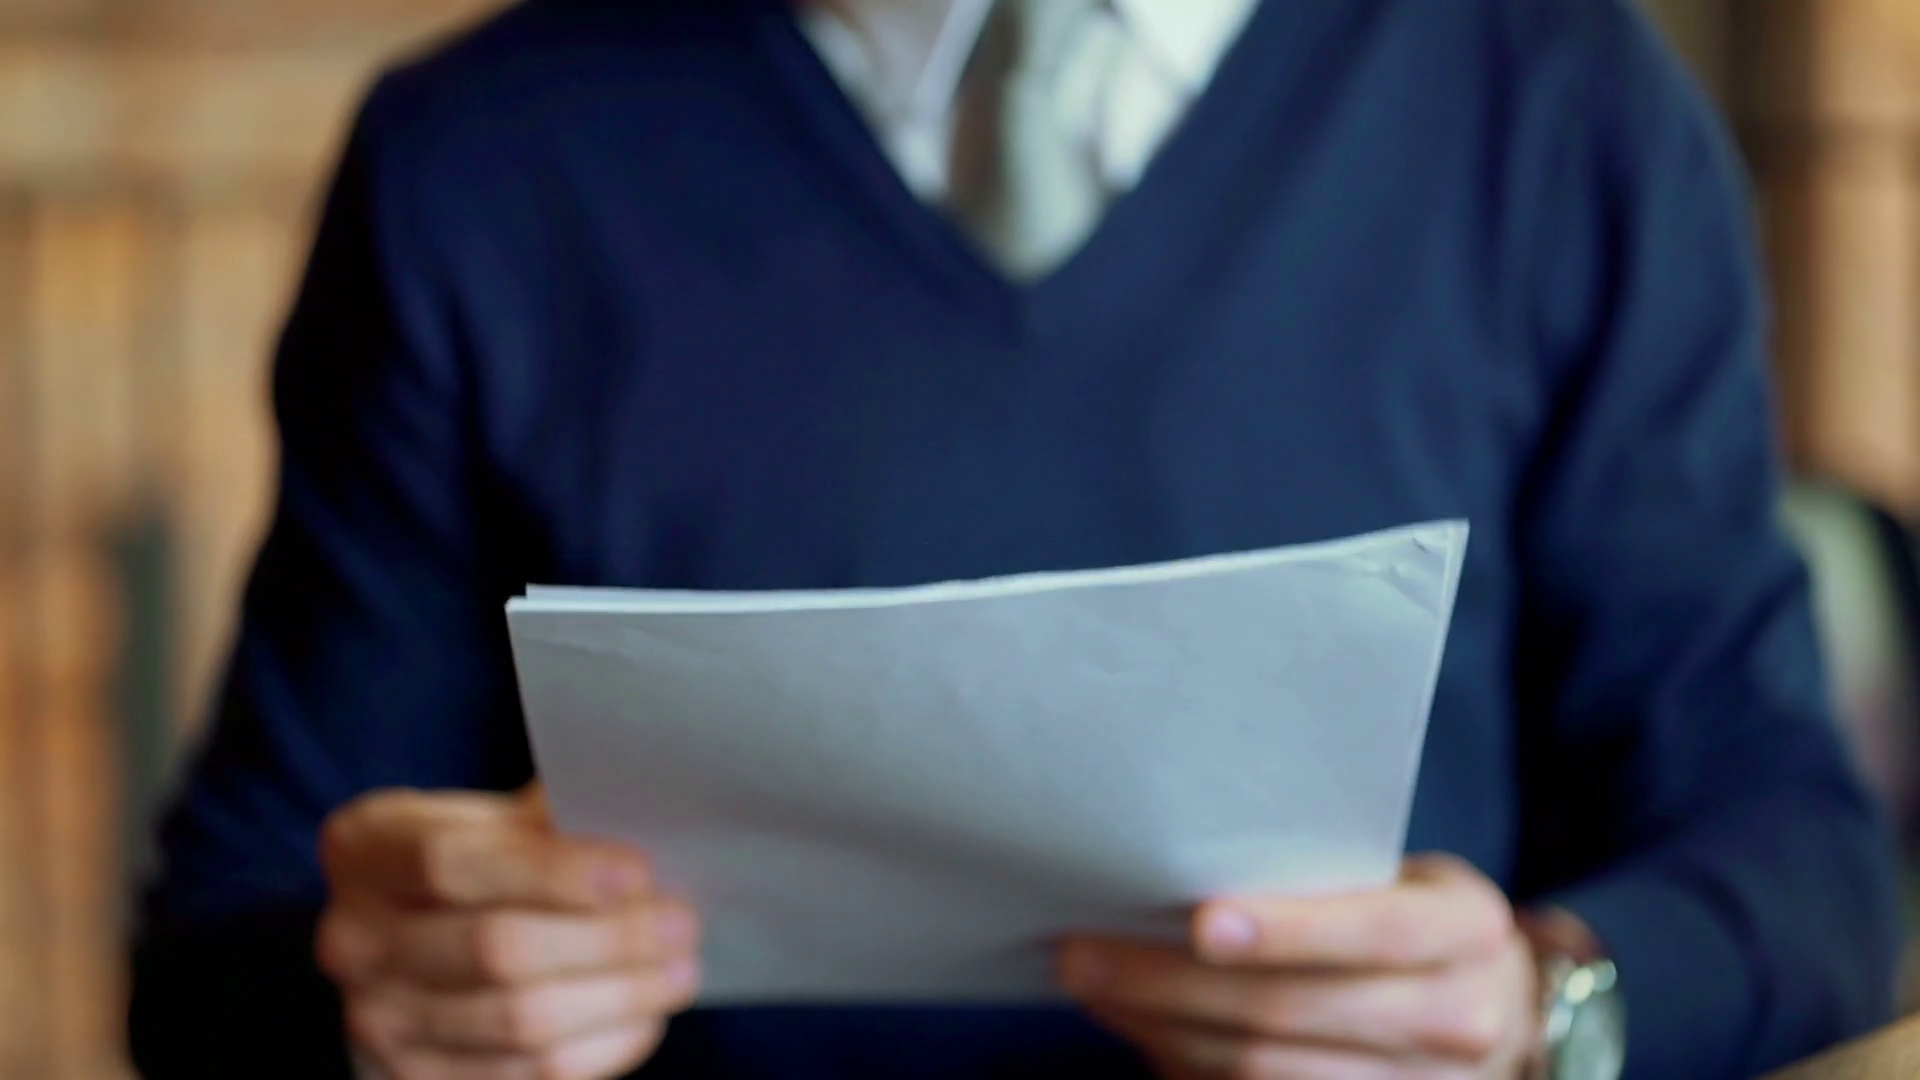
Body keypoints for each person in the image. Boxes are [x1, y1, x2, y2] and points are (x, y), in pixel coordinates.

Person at [128, 0, 1905, 1078]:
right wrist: (393, 999)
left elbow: (1801, 863)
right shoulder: (480, 160)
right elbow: (218, 950)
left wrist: (1539, 1011)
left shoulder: (1559, 103)